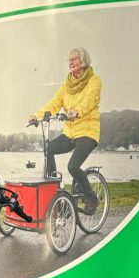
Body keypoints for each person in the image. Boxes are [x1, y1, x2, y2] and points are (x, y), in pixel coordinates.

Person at [29, 47, 102, 213]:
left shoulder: (94, 80)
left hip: (87, 132)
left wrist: (77, 111)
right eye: (69, 59)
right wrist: (37, 115)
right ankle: (54, 189)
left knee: (73, 167)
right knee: (49, 148)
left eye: (74, 59)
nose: (70, 62)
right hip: (70, 133)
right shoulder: (67, 85)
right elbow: (54, 103)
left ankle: (91, 197)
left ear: (83, 61)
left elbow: (90, 100)